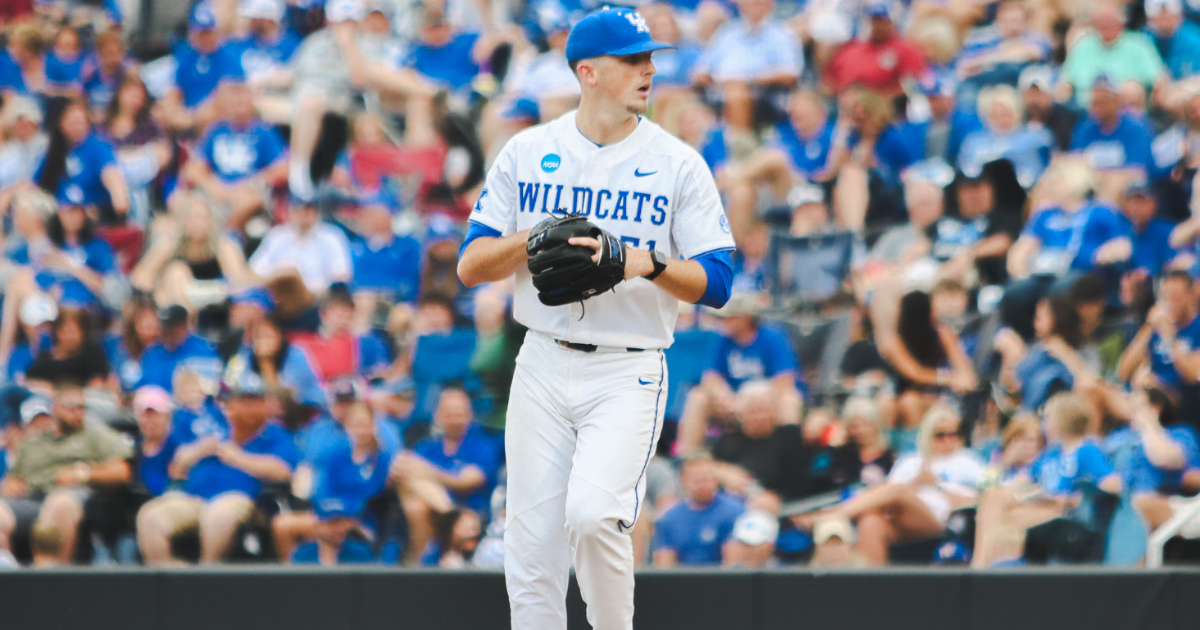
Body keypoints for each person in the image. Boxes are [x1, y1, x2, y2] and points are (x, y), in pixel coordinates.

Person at [456, 8, 735, 628]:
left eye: (650, 57)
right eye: (632, 59)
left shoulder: (677, 162)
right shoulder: (529, 150)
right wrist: (532, 239)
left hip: (627, 366)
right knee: (530, 551)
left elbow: (718, 281)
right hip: (543, 360)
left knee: (591, 515)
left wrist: (642, 261)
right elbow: (470, 265)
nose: (650, 69)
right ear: (589, 71)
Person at [136, 371, 299, 565]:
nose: (251, 408)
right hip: (196, 497)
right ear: (230, 405)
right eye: (245, 401)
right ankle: (172, 581)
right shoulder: (214, 428)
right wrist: (200, 450)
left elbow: (283, 471)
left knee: (217, 514)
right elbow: (178, 463)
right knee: (150, 516)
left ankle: (205, 580)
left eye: (256, 401)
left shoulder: (274, 434)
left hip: (245, 500)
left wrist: (238, 457)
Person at [807, 404, 984, 566]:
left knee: (899, 491)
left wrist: (936, 486)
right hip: (900, 517)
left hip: (941, 519)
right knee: (870, 522)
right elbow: (887, 493)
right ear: (928, 435)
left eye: (955, 434)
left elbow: (982, 498)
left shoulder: (968, 461)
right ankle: (872, 589)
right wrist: (914, 484)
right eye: (940, 435)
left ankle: (832, 515)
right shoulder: (910, 460)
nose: (948, 440)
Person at [972, 393, 1119, 567]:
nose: (1044, 424)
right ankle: (982, 569)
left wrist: (1074, 499)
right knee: (993, 499)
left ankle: (978, 570)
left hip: (1066, 513)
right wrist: (1004, 462)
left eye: (1048, 418)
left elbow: (1113, 485)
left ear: (1062, 419)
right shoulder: (1051, 454)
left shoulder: (1087, 449)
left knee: (1001, 517)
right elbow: (1009, 486)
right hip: (1041, 506)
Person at [0, 382, 133, 565]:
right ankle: (10, 578)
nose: (78, 412)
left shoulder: (94, 435)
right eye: (71, 407)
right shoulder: (34, 442)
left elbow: (122, 471)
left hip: (76, 498)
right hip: (32, 499)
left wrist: (83, 473)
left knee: (60, 502)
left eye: (82, 407)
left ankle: (53, 578)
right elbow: (13, 477)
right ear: (56, 408)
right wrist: (9, 484)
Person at [676, 293, 803, 453]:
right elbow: (710, 378)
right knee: (698, 397)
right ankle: (688, 457)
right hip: (734, 403)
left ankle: (792, 460)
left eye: (728, 318)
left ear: (745, 318)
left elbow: (784, 381)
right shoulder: (722, 340)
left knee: (789, 401)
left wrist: (755, 402)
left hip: (767, 402)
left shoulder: (772, 336)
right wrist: (724, 396)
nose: (722, 323)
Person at [391, 387, 499, 565]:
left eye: (459, 413)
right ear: (437, 416)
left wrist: (427, 471)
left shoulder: (482, 446)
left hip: (472, 513)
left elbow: (466, 482)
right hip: (438, 516)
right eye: (448, 413)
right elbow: (401, 474)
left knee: (415, 501)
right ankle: (451, 514)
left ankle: (417, 561)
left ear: (469, 415)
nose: (454, 419)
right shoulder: (427, 447)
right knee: (414, 500)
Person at [181, 81, 288, 229]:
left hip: (248, 189)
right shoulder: (216, 130)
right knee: (179, 200)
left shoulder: (264, 132)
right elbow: (192, 169)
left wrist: (251, 184)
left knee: (251, 201)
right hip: (218, 189)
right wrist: (212, 186)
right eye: (236, 104)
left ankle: (225, 236)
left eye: (244, 103)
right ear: (228, 107)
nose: (240, 109)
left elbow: (283, 169)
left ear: (251, 104)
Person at [692, 0, 801, 135]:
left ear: (770, 6)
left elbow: (791, 74)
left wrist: (749, 80)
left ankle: (736, 150)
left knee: (737, 95)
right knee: (672, 99)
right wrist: (709, 79)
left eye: (759, 3)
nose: (754, 8)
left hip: (761, 93)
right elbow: (701, 69)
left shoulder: (782, 33)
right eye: (750, 3)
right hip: (719, 88)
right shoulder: (727, 32)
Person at [130, 193, 255, 310]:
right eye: (193, 217)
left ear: (211, 220)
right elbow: (141, 277)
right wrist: (158, 293)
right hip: (178, 300)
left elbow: (240, 280)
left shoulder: (223, 246)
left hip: (216, 299)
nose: (198, 223)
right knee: (176, 272)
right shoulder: (170, 245)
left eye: (203, 217)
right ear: (183, 220)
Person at [1116, 270, 1200, 422]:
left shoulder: (1196, 327)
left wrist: (1169, 338)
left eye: (1176, 297)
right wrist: (1149, 327)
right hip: (1147, 393)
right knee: (1092, 389)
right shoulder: (1156, 328)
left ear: (1191, 295)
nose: (1170, 303)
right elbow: (1124, 372)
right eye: (1165, 298)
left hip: (1181, 397)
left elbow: (1192, 376)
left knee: (1146, 384)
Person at [35, 97, 130, 223]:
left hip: (89, 214)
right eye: (71, 122)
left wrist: (119, 196)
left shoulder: (97, 147)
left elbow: (110, 173)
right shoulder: (54, 150)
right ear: (60, 123)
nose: (76, 127)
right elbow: (36, 183)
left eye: (80, 122)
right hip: (58, 214)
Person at [1061, 2, 1166, 107]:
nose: (1106, 25)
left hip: (1125, 111)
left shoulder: (1139, 44)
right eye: (1102, 21)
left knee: (1131, 89)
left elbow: (1159, 79)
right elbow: (1065, 83)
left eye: (1110, 21)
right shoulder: (1083, 47)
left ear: (1121, 23)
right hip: (1086, 110)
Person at [651, 452, 744, 566]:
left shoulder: (734, 512)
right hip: (681, 580)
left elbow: (733, 567)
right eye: (696, 480)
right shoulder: (670, 518)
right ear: (683, 481)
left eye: (707, 478)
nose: (703, 484)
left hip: (720, 580)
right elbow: (664, 565)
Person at [1069, 76, 1155, 198]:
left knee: (1116, 183)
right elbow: (1075, 164)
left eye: (1101, 102)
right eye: (1094, 102)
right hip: (1089, 189)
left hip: (1127, 193)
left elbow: (1137, 172)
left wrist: (1099, 176)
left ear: (1116, 101)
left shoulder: (1135, 128)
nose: (1096, 108)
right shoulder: (1085, 129)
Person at [957, 85, 1053, 188]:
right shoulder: (973, 142)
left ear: (1017, 112)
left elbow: (1049, 170)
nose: (1002, 120)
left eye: (1006, 114)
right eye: (995, 115)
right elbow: (966, 172)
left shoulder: (1036, 137)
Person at [824, 3, 926, 98]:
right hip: (846, 99)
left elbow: (912, 84)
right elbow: (831, 79)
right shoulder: (854, 47)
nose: (878, 26)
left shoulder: (905, 49)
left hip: (885, 105)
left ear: (892, 22)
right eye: (875, 21)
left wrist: (876, 97)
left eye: (883, 21)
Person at [135, 305, 223, 394]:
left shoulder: (203, 351)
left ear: (183, 327)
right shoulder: (152, 352)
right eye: (163, 329)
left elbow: (210, 389)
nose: (166, 334)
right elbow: (142, 386)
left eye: (170, 329)